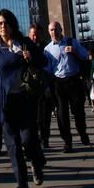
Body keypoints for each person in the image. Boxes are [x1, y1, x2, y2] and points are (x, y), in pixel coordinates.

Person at [0, 9, 48, 188]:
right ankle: (22, 182)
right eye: (0, 23)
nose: (3, 26)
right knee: (13, 145)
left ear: (12, 25)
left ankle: (36, 162)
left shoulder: (24, 43)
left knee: (28, 140)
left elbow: (43, 61)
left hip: (25, 100)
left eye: (6, 23)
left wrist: (31, 57)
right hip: (5, 103)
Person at [43, 20, 91, 151]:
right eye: (51, 30)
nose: (54, 32)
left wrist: (75, 52)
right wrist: (48, 87)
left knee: (78, 111)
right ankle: (67, 141)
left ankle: (82, 133)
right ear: (49, 32)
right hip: (59, 82)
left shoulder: (72, 42)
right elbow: (47, 70)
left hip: (73, 80)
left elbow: (86, 56)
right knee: (62, 113)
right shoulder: (47, 49)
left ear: (61, 29)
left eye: (56, 29)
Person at [25, 22, 55, 150]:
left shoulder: (46, 49)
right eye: (32, 35)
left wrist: (48, 87)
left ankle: (45, 138)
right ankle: (34, 139)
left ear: (41, 35)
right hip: (29, 87)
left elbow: (46, 67)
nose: (34, 38)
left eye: (37, 35)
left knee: (44, 115)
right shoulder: (24, 48)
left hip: (43, 85)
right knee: (32, 116)